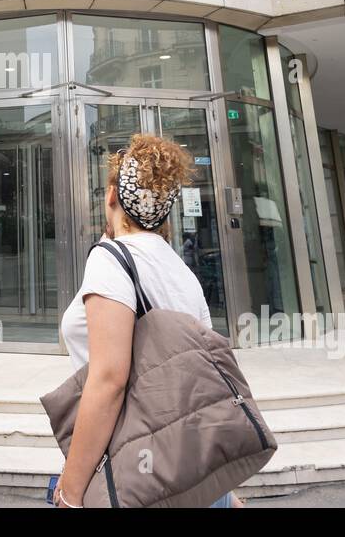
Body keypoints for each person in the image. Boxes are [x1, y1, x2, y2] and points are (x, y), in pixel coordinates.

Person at [54, 133, 242, 509]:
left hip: (142, 471)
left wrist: (71, 493)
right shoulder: (180, 270)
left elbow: (108, 381)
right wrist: (224, 492)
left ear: (112, 197)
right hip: (192, 471)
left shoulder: (110, 258)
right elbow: (203, 382)